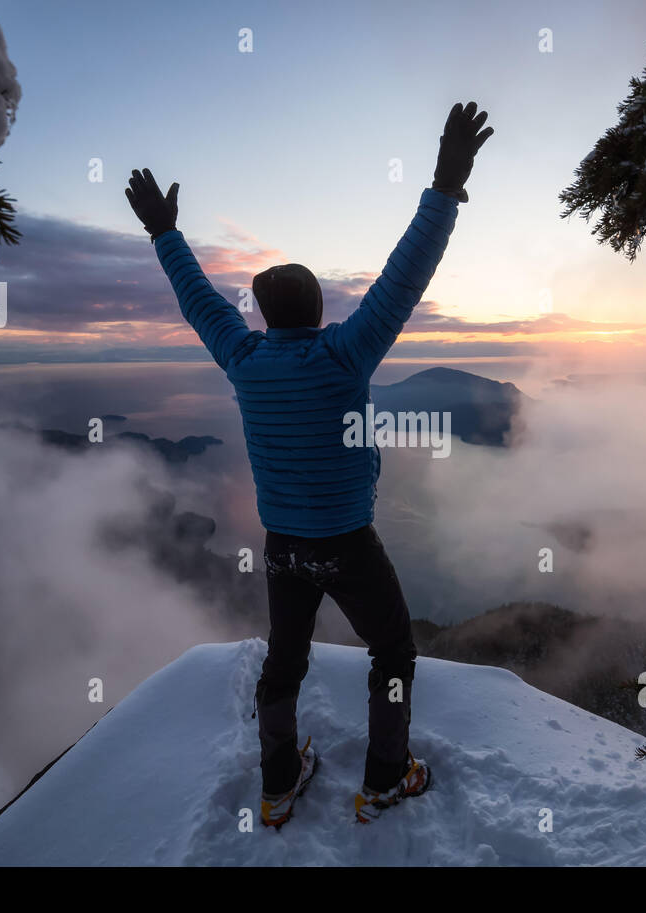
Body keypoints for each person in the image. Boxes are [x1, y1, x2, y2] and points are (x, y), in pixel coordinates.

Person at [126, 101, 494, 827]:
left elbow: (200, 302)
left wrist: (164, 233)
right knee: (391, 651)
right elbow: (406, 274)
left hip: (284, 546)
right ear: (321, 308)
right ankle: (388, 774)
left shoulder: (243, 358)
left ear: (262, 316)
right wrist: (447, 185)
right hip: (348, 543)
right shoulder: (344, 354)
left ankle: (277, 782)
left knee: (284, 660)